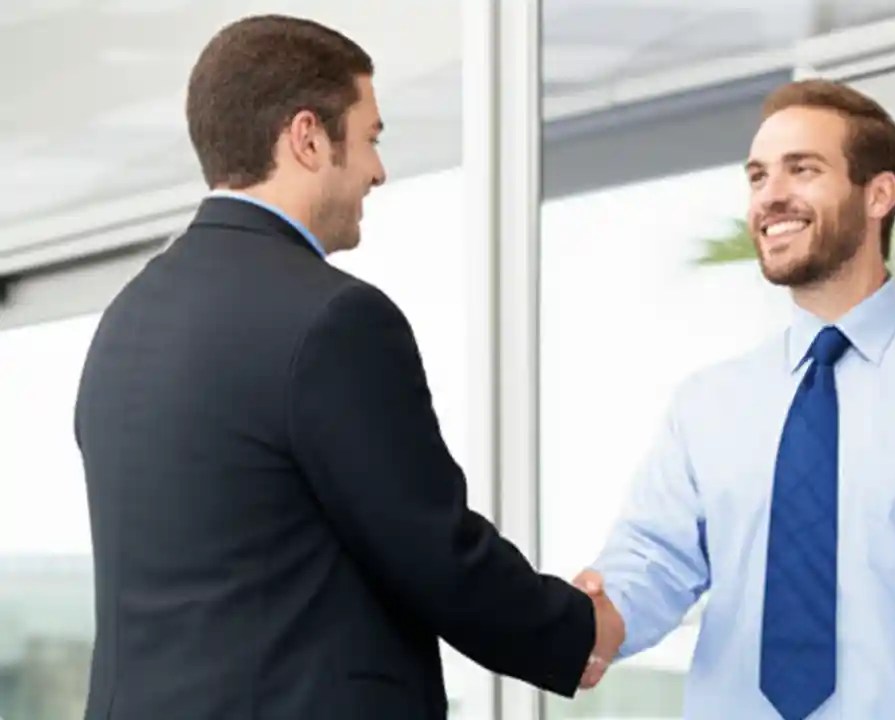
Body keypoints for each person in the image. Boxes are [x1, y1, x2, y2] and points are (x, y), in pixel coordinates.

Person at [74, 14, 622, 719]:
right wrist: (577, 630)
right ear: (307, 138)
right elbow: (433, 549)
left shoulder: (126, 320)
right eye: (370, 138)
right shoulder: (335, 320)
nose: (378, 170)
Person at [574, 79, 895, 718]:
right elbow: (649, 566)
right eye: (757, 176)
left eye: (802, 169)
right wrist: (589, 617)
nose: (771, 195)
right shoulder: (708, 405)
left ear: (879, 194)